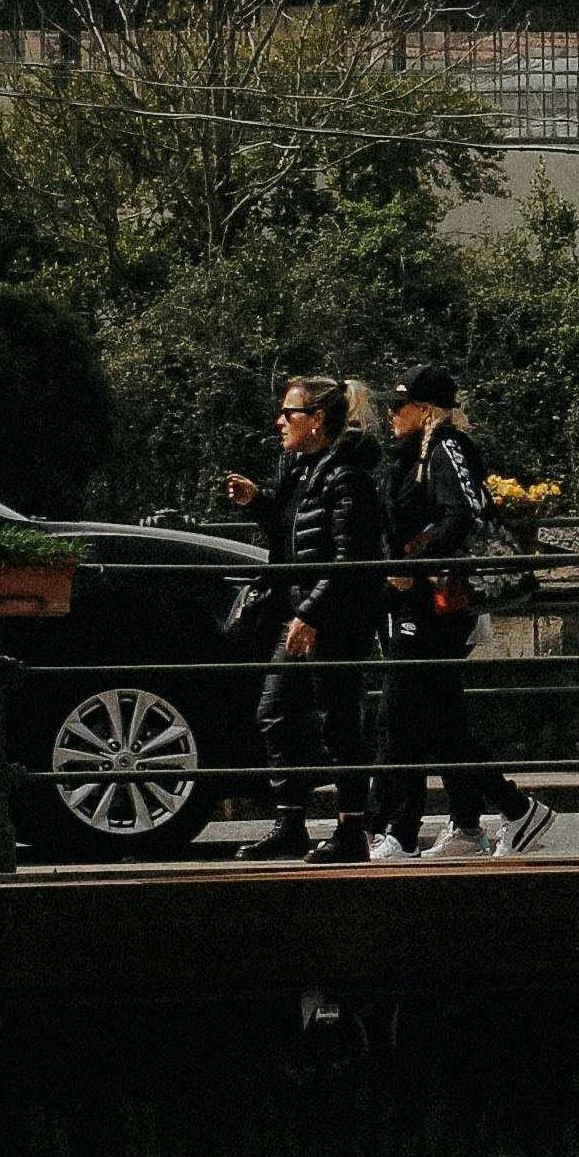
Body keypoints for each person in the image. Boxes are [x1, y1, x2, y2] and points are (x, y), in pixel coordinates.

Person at [372, 360, 546, 859]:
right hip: (416, 600)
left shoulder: (446, 446)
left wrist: (416, 564)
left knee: (401, 710)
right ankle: (508, 811)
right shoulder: (409, 455)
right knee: (440, 720)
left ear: (425, 410)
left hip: (437, 603)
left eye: (398, 405)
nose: (390, 413)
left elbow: (464, 513)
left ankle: (401, 834)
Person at [224, 371, 388, 865]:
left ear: (317, 420)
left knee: (338, 722)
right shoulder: (301, 470)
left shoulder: (346, 476)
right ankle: (289, 823)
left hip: (332, 618)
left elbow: (348, 556)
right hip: (300, 611)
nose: (280, 422)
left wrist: (311, 613)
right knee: (275, 713)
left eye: (289, 413)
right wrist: (259, 504)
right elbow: (292, 535)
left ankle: (351, 830)